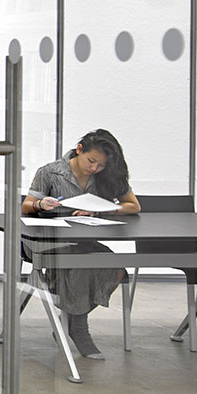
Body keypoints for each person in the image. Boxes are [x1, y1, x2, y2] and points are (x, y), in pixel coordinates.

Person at [23, 129, 142, 360]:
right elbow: (26, 206)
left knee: (114, 268)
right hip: (48, 241)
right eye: (91, 161)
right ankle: (79, 329)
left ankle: (66, 321)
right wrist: (40, 204)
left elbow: (133, 206)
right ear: (80, 150)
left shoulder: (106, 176)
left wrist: (101, 209)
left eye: (101, 165)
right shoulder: (49, 172)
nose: (95, 168)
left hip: (85, 240)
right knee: (83, 265)